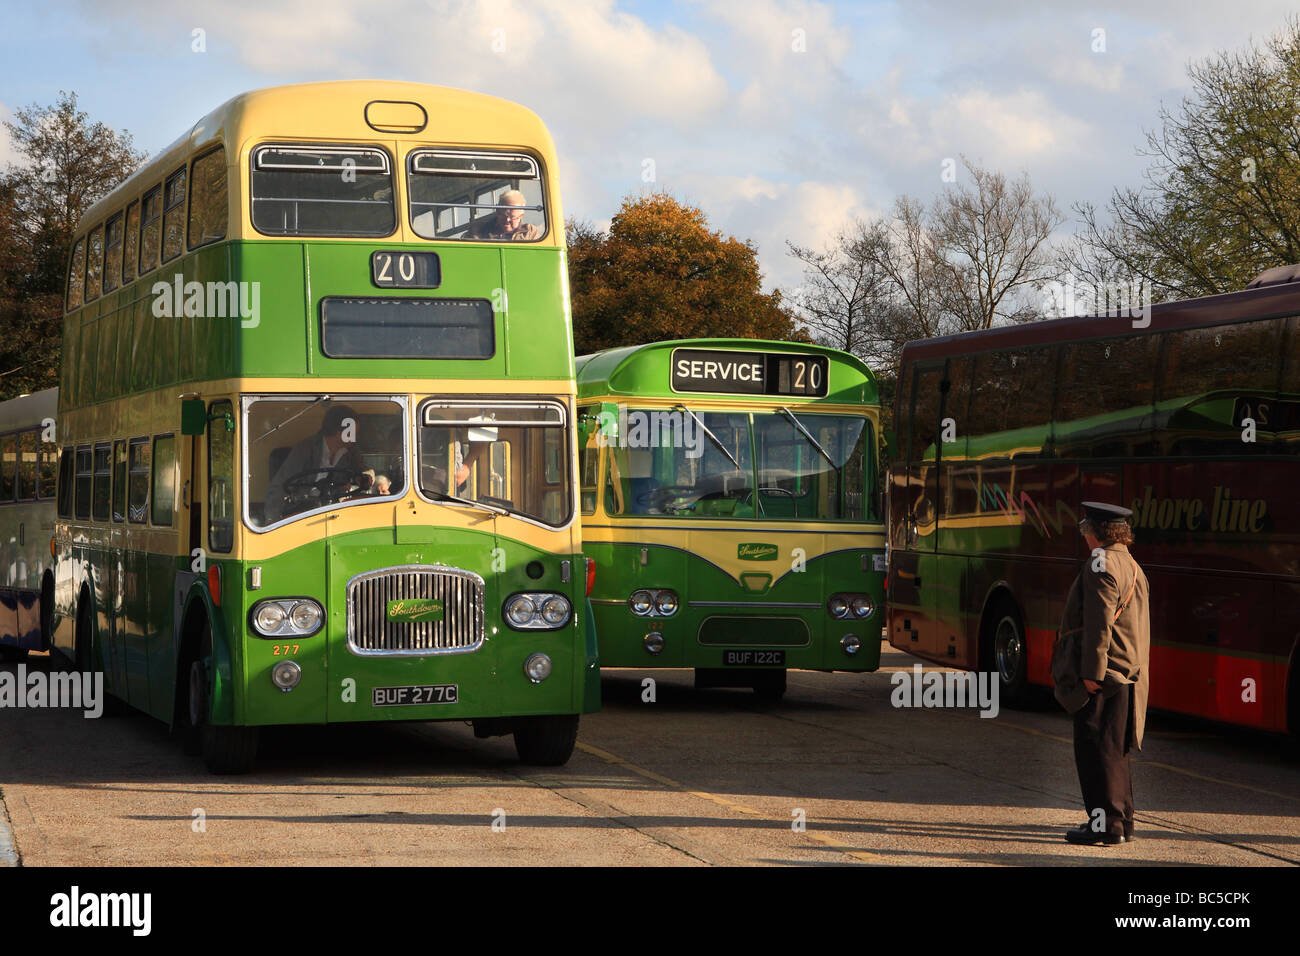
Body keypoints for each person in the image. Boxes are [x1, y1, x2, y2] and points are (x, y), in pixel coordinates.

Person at [1059, 500, 1150, 846]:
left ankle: (1102, 824)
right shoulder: (1131, 563)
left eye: (1085, 529)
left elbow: (1099, 624)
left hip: (1105, 673)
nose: (1083, 535)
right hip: (1127, 672)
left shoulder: (1101, 562)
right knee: (1115, 750)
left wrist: (1091, 675)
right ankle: (1122, 821)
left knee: (1094, 748)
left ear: (1096, 531)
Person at [264, 404, 364, 521]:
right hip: (303, 514)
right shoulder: (305, 449)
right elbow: (278, 487)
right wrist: (272, 521)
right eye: (352, 433)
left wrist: (364, 478)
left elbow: (364, 470)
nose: (355, 438)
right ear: (339, 431)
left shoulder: (351, 451)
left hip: (336, 513)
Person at [468, 189, 540, 240]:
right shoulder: (479, 230)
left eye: (512, 217)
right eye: (503, 215)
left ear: (521, 216)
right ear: (497, 211)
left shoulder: (529, 232)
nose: (507, 220)